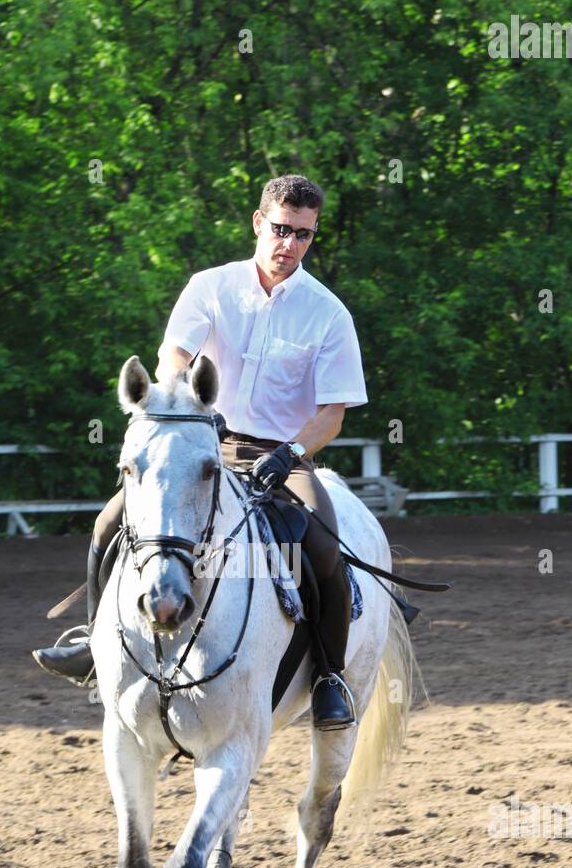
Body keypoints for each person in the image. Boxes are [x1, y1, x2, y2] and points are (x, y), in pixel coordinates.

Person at [33, 174, 368, 729]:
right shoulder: (210, 287)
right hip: (202, 442)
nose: (290, 244)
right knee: (107, 523)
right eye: (281, 229)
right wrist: (184, 410)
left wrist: (288, 454)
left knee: (324, 546)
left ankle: (330, 677)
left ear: (313, 236)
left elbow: (331, 414)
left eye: (304, 235)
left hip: (281, 458)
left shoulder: (329, 314)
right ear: (259, 223)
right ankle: (96, 643)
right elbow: (174, 356)